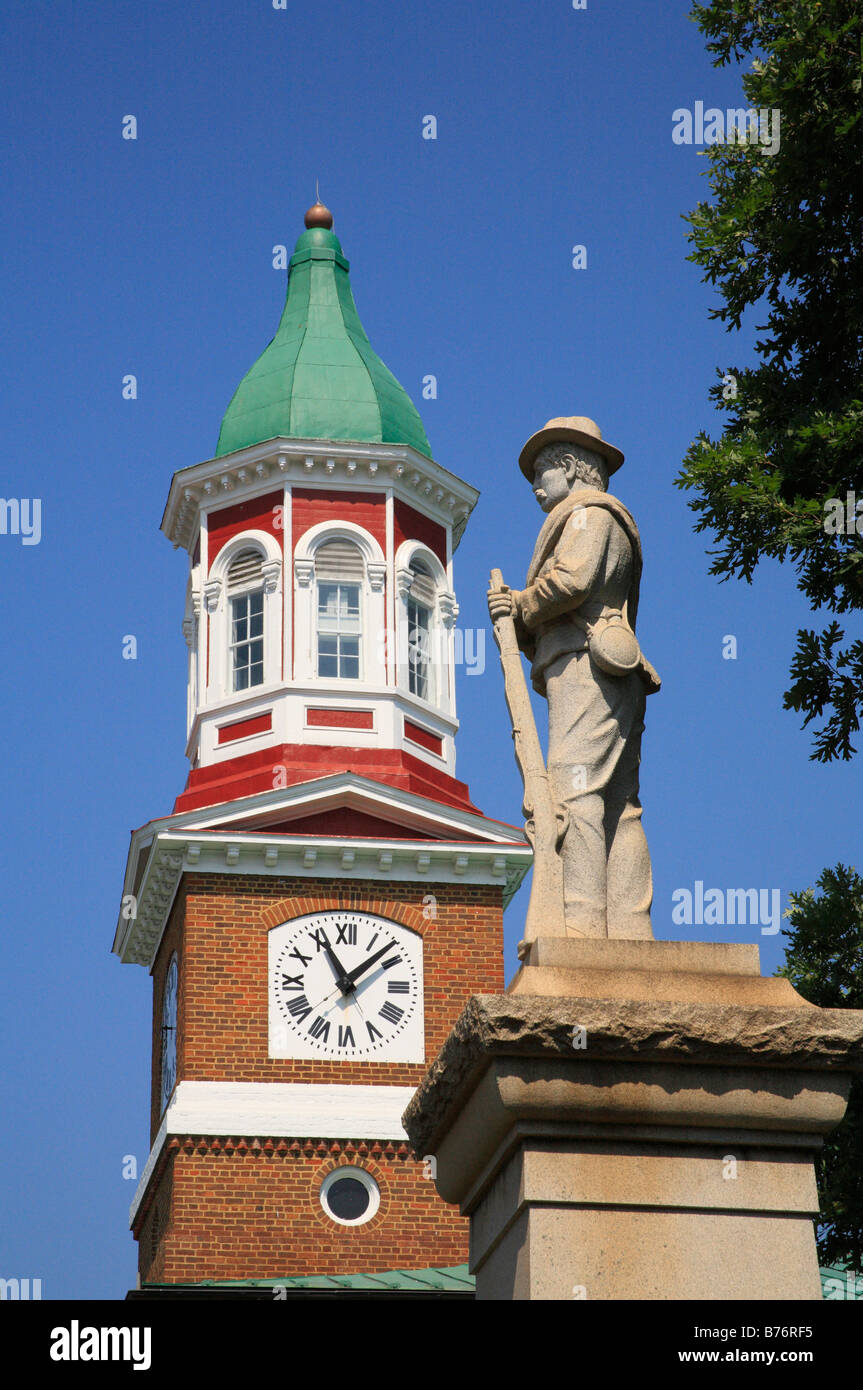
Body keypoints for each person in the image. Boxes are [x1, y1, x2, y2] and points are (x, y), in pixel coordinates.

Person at [487, 416, 660, 939]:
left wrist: (518, 605)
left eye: (542, 473)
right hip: (606, 668)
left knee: (574, 788)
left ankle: (583, 924)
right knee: (618, 803)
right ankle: (628, 926)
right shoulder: (604, 520)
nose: (537, 487)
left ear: (569, 467)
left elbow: (571, 580)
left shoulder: (587, 516)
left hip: (588, 667)